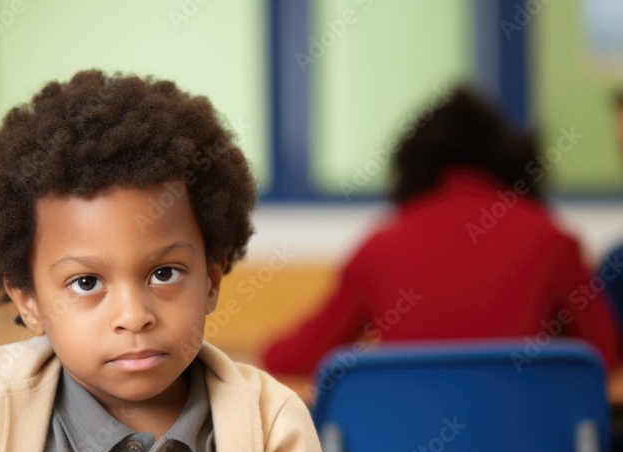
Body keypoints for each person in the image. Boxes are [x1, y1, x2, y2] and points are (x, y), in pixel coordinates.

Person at [0, 70, 329, 452]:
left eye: (165, 273)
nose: (133, 315)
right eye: (86, 283)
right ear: (30, 301)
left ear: (212, 281)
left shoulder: (273, 423)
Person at [263, 86, 620, 376]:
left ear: (411, 165)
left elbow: (295, 357)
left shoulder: (380, 247)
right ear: (513, 160)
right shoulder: (552, 241)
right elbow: (604, 354)